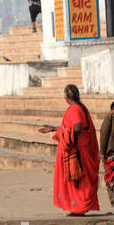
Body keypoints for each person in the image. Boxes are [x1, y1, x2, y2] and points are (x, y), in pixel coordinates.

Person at [39, 84, 99, 216]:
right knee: (80, 179)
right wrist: (55, 128)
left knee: (77, 178)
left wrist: (63, 133)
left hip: (77, 150)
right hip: (82, 148)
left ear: (66, 97)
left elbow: (77, 127)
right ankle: (79, 207)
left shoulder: (74, 109)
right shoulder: (81, 107)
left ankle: (79, 207)